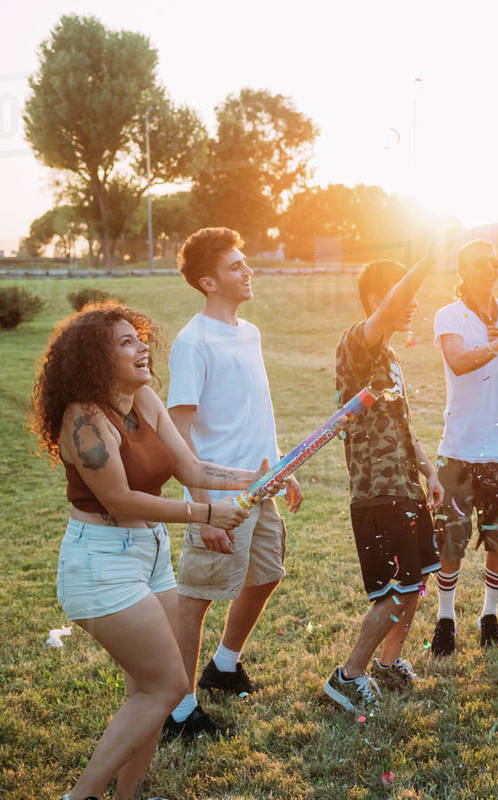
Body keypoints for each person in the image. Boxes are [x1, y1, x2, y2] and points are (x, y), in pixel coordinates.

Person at [31, 303, 259, 800]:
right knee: (167, 686)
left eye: (140, 338)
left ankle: (126, 797)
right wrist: (206, 516)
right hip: (101, 563)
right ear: (95, 358)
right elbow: (118, 498)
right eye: (126, 342)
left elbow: (192, 470)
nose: (142, 348)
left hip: (149, 554)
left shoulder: (145, 398)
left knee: (148, 692)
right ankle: (81, 797)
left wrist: (255, 477)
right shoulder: (83, 420)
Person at [164, 227, 304, 739]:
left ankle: (224, 665)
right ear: (207, 281)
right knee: (196, 599)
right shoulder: (192, 342)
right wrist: (203, 512)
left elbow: (255, 410)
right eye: (236, 266)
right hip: (219, 496)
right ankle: (178, 708)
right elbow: (179, 433)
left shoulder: (249, 333)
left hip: (262, 484)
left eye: (246, 263)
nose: (249, 272)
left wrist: (280, 469)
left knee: (266, 575)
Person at [322, 254, 445, 713]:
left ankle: (388, 665)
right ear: (378, 300)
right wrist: (431, 251)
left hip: (406, 488)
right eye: (404, 294)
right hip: (377, 491)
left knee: (413, 586)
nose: (413, 303)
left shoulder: (390, 356)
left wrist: (429, 471)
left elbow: (403, 423)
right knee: (394, 590)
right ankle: (347, 676)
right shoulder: (357, 343)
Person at [429, 240, 498, 657]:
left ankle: (489, 615)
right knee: (450, 540)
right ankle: (446, 618)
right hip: (459, 447)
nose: (492, 267)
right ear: (463, 269)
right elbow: (458, 361)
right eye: (481, 262)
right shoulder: (448, 315)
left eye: (495, 260)